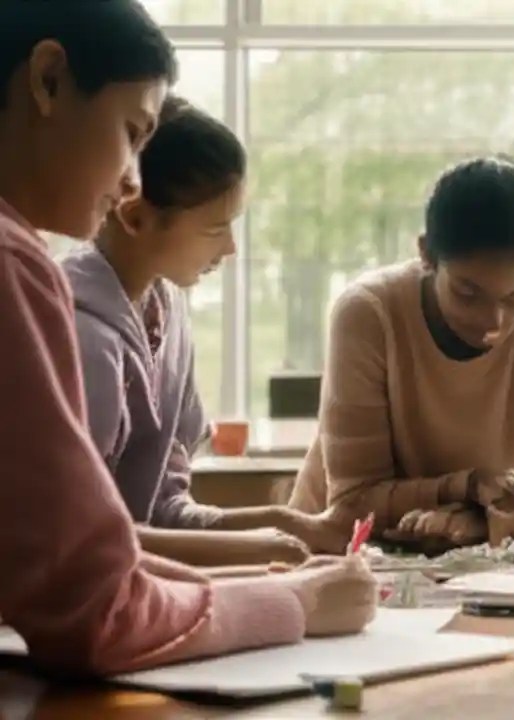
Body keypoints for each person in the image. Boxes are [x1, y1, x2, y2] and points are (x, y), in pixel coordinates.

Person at [0, 0, 374, 675]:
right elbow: (94, 610)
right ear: (49, 80)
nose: (128, 182)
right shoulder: (18, 269)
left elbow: (62, 560)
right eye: (131, 131)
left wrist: (255, 563)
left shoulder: (157, 310)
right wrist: (291, 602)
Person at [62, 96, 345, 567]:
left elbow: (163, 512)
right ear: (134, 216)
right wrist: (253, 548)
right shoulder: (78, 334)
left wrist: (285, 522)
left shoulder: (168, 313)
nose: (232, 247)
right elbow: (77, 539)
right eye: (216, 228)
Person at [288, 158, 514, 553]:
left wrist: (485, 518)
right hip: (343, 554)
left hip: (481, 554)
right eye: (469, 294)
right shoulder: (369, 313)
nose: (495, 321)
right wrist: (469, 487)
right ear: (426, 255)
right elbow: (354, 503)